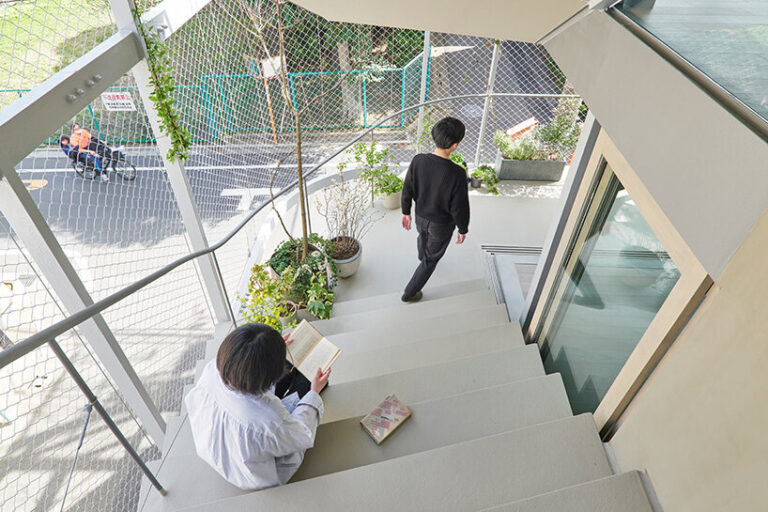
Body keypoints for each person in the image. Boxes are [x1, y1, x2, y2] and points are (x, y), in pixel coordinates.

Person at [185, 323, 330, 490]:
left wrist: (267, 354)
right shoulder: (270, 420)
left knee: (292, 367)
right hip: (254, 471)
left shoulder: (213, 368)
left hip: (219, 444)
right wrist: (314, 392)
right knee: (308, 382)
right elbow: (301, 435)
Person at [400, 117, 470, 302]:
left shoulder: (418, 160)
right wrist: (463, 229)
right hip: (441, 225)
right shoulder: (457, 173)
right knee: (432, 258)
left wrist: (405, 211)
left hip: (420, 216)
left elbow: (407, 187)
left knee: (422, 236)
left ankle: (421, 255)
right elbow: (460, 207)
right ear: (454, 145)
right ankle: (410, 292)